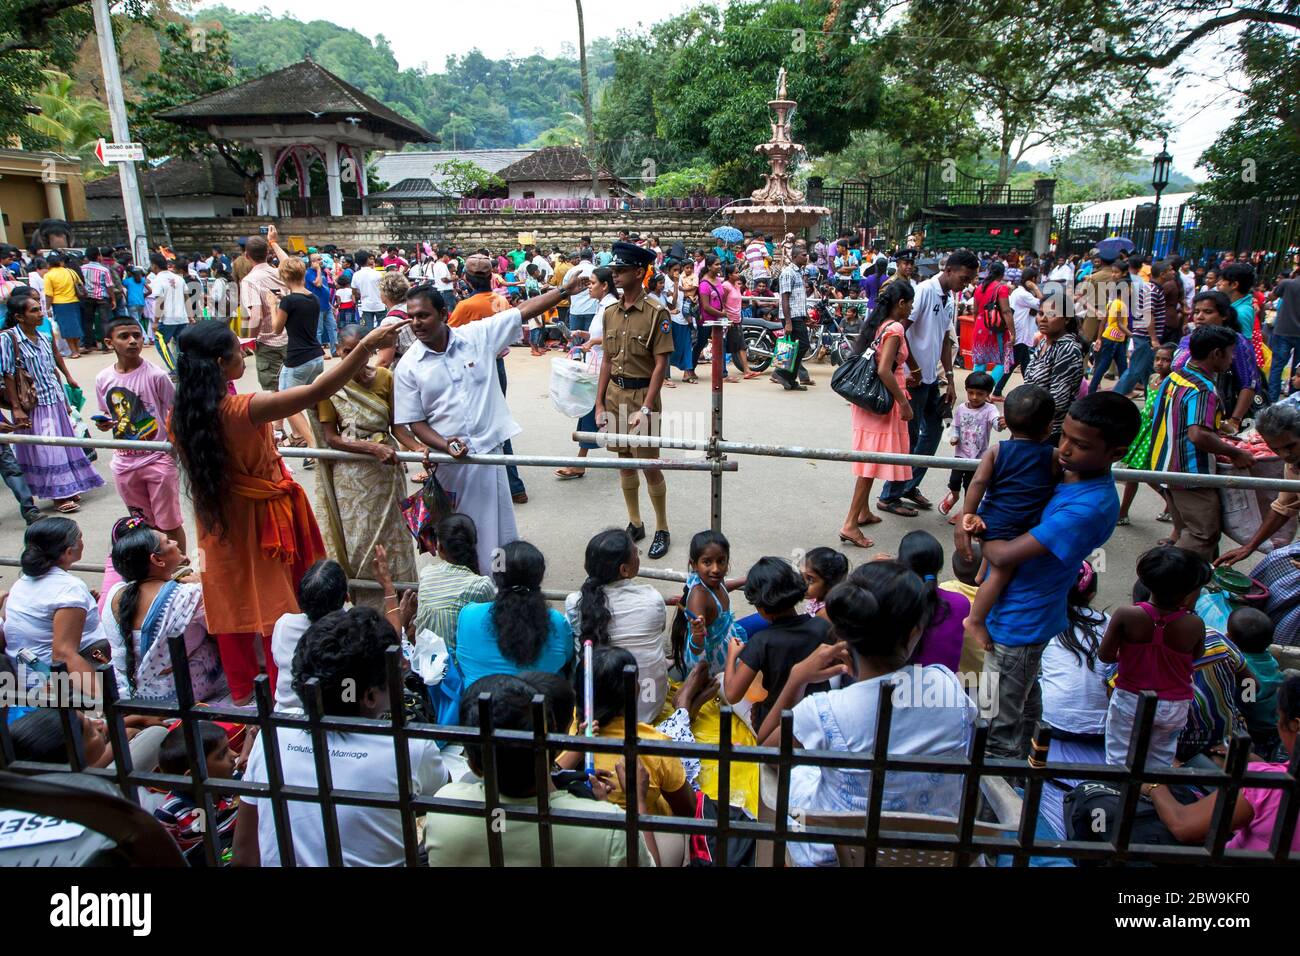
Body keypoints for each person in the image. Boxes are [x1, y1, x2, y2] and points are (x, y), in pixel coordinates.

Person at [169, 317, 406, 705]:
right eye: (236, 347)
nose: (244, 351)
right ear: (219, 362)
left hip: (217, 518)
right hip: (264, 517)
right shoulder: (243, 408)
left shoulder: (180, 416)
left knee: (227, 593)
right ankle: (287, 688)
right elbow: (319, 389)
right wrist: (367, 345)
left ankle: (243, 689)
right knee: (276, 600)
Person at [758, 561, 977, 867]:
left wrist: (797, 678)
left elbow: (766, 750)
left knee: (795, 773)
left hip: (836, 856)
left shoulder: (823, 711)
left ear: (844, 632)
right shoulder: (947, 684)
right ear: (914, 632)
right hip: (934, 853)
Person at [975, 392, 1141, 761]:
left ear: (1116, 453)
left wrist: (977, 530)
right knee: (1023, 699)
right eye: (1063, 435)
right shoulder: (1066, 472)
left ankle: (995, 790)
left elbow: (1001, 553)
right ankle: (1027, 768)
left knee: (995, 723)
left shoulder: (1089, 506)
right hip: (1024, 615)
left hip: (1019, 622)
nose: (1064, 449)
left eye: (1080, 444)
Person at [233, 607, 448, 866]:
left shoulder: (274, 734)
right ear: (369, 696)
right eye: (397, 667)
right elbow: (442, 792)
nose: (403, 667)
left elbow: (244, 855)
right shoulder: (410, 747)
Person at [395, 276, 579, 573]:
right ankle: (470, 586)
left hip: (489, 454)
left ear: (443, 315)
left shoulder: (476, 336)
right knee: (459, 532)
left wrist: (564, 292)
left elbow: (522, 312)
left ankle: (499, 581)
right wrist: (445, 444)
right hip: (451, 466)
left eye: (423, 315)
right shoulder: (408, 366)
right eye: (411, 317)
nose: (416, 323)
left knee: (497, 528)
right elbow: (415, 422)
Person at [424, 674, 657, 866]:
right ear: (556, 747)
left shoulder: (445, 807)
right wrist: (637, 800)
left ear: (474, 765)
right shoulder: (609, 826)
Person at [313, 324, 417, 608]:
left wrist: (420, 449)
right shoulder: (328, 383)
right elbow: (331, 437)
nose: (355, 358)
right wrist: (370, 448)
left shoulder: (385, 377)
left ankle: (403, 608)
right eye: (348, 352)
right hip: (352, 476)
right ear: (338, 351)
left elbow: (398, 428)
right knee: (360, 542)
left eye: (362, 351)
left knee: (395, 539)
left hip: (387, 474)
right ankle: (368, 608)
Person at [1139, 672, 1300, 855]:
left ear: (1295, 725)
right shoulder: (1271, 779)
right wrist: (1260, 763)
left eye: (1279, 717)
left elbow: (1183, 826)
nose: (1278, 724)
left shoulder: (1270, 785)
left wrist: (1154, 785)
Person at [956, 384, 1059, 644]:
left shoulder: (997, 450)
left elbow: (978, 482)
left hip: (993, 521)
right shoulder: (1054, 457)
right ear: (1049, 428)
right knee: (1003, 571)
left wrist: (968, 513)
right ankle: (975, 619)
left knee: (996, 557)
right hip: (1016, 525)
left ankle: (980, 575)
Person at [878, 249, 978, 516]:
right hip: (914, 379)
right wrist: (913, 367)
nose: (965, 284)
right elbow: (901, 329)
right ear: (949, 270)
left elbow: (945, 338)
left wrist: (951, 379)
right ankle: (889, 495)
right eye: (964, 278)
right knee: (908, 439)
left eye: (969, 281)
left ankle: (910, 485)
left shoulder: (949, 299)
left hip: (933, 379)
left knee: (933, 433)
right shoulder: (923, 291)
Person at [1146, 324, 1255, 561]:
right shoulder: (1203, 389)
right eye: (1230, 353)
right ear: (1216, 353)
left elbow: (1166, 414)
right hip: (1190, 472)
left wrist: (1218, 429)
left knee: (1186, 529)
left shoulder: (1175, 376)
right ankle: (1178, 587)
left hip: (1165, 466)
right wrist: (1235, 453)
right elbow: (1198, 434)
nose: (1232, 358)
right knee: (1202, 535)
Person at [597, 241, 675, 559]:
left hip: (643, 396)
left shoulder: (657, 312)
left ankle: (662, 528)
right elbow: (605, 360)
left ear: (639, 272)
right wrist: (599, 403)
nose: (615, 274)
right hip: (615, 395)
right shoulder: (610, 313)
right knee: (625, 463)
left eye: (621, 270)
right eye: (613, 269)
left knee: (648, 464)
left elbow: (660, 364)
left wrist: (645, 407)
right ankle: (635, 522)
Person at [1098, 547, 1208, 768]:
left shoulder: (1126, 615)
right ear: (1188, 591)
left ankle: (1117, 797)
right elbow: (1196, 655)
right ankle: (1152, 795)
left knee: (1119, 758)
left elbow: (1106, 655)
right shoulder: (1194, 624)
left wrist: (1133, 654)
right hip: (1174, 705)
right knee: (1159, 761)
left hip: (1130, 698)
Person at [561, 646, 696, 817]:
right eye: (637, 680)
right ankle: (684, 706)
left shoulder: (569, 725)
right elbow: (688, 811)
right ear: (634, 690)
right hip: (647, 835)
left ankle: (685, 706)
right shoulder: (655, 744)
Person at [2, 288, 103, 513]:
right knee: (48, 448)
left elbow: (52, 369)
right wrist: (17, 409)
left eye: (40, 309)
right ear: (19, 317)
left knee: (64, 445)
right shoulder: (9, 339)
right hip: (33, 405)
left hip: (54, 400)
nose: (41, 314)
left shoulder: (45, 337)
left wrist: (65, 396)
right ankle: (59, 494)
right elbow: (8, 375)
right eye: (35, 310)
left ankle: (67, 486)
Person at [101, 518, 223, 702]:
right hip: (178, 691)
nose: (175, 542)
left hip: (127, 689)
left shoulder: (115, 593)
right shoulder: (189, 595)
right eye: (168, 542)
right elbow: (221, 631)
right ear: (157, 559)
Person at [93, 315, 184, 552]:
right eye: (124, 336)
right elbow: (108, 413)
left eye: (137, 335)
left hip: (157, 459)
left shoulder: (157, 376)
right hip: (124, 462)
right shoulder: (103, 378)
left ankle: (179, 567)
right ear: (109, 342)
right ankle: (155, 568)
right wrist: (106, 424)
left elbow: (175, 411)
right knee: (143, 523)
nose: (133, 341)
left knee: (170, 522)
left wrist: (172, 451)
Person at [1037, 561, 1113, 842]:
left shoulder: (1044, 621)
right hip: (1102, 732)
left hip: (1054, 726)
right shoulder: (1109, 624)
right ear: (1091, 593)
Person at [839, 281, 916, 548]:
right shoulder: (894, 328)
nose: (912, 307)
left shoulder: (878, 325)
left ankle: (862, 512)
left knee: (869, 461)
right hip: (884, 402)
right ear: (902, 303)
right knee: (870, 464)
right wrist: (903, 403)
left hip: (869, 402)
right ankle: (850, 524)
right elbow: (885, 370)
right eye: (911, 302)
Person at [565, 528, 668, 722]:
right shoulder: (652, 598)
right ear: (624, 570)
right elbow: (659, 631)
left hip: (594, 716)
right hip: (650, 708)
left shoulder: (574, 602)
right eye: (636, 553)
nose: (639, 556)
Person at [724, 556, 833, 729]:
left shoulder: (761, 641)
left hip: (777, 723)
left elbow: (732, 695)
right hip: (821, 715)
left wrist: (731, 656)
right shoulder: (822, 626)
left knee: (720, 680)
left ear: (760, 607)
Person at [4, 517, 110, 691]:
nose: (83, 542)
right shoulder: (69, 590)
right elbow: (63, 654)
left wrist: (84, 605)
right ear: (68, 552)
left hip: (24, 671)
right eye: (80, 537)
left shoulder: (23, 581)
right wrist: (111, 701)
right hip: (49, 679)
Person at [454, 540, 574, 687]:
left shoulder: (468, 615)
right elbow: (567, 657)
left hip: (478, 706)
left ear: (497, 576)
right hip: (540, 707)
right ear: (539, 577)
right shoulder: (556, 621)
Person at [1217, 401, 1300, 566]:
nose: (1285, 454)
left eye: (1290, 446)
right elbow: (1284, 506)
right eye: (1276, 449)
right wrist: (1249, 547)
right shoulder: (1293, 465)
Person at [1172, 290, 1260, 434]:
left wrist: (1235, 420)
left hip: (1215, 416)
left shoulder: (1235, 342)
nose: (1199, 317)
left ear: (1224, 315)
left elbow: (1249, 383)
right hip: (1179, 412)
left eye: (1207, 312)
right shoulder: (1187, 339)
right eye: (1196, 311)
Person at [153, 722, 239, 865]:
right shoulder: (171, 814)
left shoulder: (236, 783)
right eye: (222, 754)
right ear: (194, 775)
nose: (234, 755)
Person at [270, 559, 348, 711]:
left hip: (285, 716)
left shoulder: (284, 624)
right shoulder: (352, 629)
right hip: (330, 720)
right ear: (346, 598)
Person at [413, 513, 495, 652]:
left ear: (440, 548)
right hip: (459, 669)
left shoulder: (426, 574)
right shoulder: (481, 585)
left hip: (424, 664)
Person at [670, 529, 747, 676]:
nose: (716, 569)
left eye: (721, 561)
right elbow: (696, 650)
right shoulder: (699, 597)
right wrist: (698, 634)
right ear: (694, 565)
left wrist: (745, 579)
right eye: (707, 562)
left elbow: (722, 588)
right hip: (712, 659)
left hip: (725, 640)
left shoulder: (715, 580)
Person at [1117, 344, 1176, 528]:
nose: (1160, 363)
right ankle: (1124, 512)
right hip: (1144, 427)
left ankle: (1173, 505)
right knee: (1135, 471)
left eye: (1166, 360)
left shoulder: (1172, 383)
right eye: (1158, 359)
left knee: (1140, 472)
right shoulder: (1152, 378)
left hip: (1158, 430)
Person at [897, 530, 966, 671]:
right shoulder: (960, 603)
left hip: (902, 685)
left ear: (901, 564)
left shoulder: (895, 602)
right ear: (940, 566)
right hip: (945, 686)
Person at [1023, 296, 1086, 444]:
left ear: (1066, 319)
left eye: (1051, 314)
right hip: (1030, 427)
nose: (1043, 319)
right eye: (1040, 313)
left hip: (1049, 431)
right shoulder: (1044, 342)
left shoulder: (1068, 349)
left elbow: (1057, 401)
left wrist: (1022, 416)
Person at [940, 370, 1001, 518]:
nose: (974, 397)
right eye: (970, 392)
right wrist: (954, 437)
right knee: (954, 481)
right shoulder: (961, 408)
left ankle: (965, 512)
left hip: (978, 457)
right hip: (960, 454)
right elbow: (955, 426)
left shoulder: (990, 409)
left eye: (980, 394)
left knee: (970, 485)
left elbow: (996, 424)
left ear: (987, 393)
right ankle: (954, 496)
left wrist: (1001, 423)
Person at [996, 267, 1042, 397]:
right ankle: (998, 391)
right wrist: (1035, 288)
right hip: (1019, 334)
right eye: (1036, 280)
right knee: (1015, 364)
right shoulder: (1024, 294)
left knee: (1024, 364)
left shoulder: (1019, 292)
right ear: (1032, 280)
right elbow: (1043, 303)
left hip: (1020, 333)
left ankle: (1030, 389)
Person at [775, 242, 812, 391]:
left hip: (798, 315)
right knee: (802, 345)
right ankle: (781, 373)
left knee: (796, 347)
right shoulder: (788, 273)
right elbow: (785, 298)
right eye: (803, 255)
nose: (806, 257)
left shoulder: (799, 272)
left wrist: (805, 316)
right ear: (795, 256)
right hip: (791, 316)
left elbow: (798, 297)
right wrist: (788, 322)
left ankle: (789, 379)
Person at [971, 260, 1014, 386]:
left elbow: (975, 310)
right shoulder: (1001, 288)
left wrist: (977, 325)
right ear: (1002, 274)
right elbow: (1006, 311)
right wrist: (1013, 332)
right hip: (996, 327)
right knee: (1004, 360)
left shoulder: (979, 288)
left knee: (980, 361)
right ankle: (987, 388)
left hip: (980, 325)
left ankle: (977, 388)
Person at [1266, 267, 1300, 402]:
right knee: (1297, 368)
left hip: (1283, 330)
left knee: (1277, 366)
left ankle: (1271, 398)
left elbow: (1272, 296)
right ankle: (1294, 396)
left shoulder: (1287, 283)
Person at [44, 253, 84, 357]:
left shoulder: (48, 275)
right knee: (75, 326)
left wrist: (47, 308)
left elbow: (49, 294)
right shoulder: (70, 271)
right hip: (74, 301)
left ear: (48, 264)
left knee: (65, 328)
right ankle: (77, 349)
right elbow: (80, 284)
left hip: (60, 304)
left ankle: (74, 351)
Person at [800, 546, 848, 620]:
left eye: (810, 579)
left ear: (830, 583)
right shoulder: (817, 596)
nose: (801, 583)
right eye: (801, 575)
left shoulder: (825, 613)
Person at [306, 252, 336, 359]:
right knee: (318, 330)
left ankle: (335, 350)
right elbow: (317, 284)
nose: (321, 261)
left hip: (326, 306)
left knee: (333, 327)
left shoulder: (323, 272)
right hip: (316, 306)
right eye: (318, 260)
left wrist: (329, 303)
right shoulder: (309, 273)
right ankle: (319, 353)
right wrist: (318, 269)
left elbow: (324, 288)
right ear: (313, 262)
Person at [351, 250, 385, 332]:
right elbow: (384, 288)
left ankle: (370, 343)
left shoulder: (356, 275)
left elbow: (354, 291)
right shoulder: (377, 274)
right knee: (382, 328)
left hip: (366, 305)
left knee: (367, 330)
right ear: (367, 260)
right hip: (379, 304)